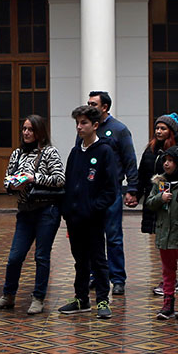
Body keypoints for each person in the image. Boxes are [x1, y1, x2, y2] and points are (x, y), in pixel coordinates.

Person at [0, 114, 65, 314]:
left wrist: (33, 178)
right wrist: (13, 185)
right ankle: (8, 296)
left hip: (47, 211)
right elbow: (5, 181)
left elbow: (59, 179)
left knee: (41, 256)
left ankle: (38, 298)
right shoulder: (17, 153)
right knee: (15, 256)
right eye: (24, 129)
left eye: (30, 129)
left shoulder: (49, 152)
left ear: (40, 132)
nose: (26, 133)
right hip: (25, 211)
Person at [59, 105, 118, 319]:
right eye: (77, 123)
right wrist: (67, 209)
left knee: (98, 259)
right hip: (74, 218)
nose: (79, 127)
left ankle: (102, 299)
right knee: (79, 260)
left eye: (84, 123)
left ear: (95, 125)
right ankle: (81, 299)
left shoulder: (104, 151)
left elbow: (110, 189)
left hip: (93, 218)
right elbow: (69, 183)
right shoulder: (75, 152)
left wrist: (93, 208)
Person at [87, 91, 137, 295]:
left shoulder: (119, 130)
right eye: (88, 103)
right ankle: (96, 275)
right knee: (92, 235)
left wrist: (132, 189)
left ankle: (117, 279)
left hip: (112, 190)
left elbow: (130, 160)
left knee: (114, 236)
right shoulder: (87, 129)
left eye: (93, 104)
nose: (89, 106)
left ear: (105, 107)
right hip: (91, 191)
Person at [146, 145, 178, 321]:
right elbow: (150, 202)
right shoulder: (161, 183)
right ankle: (168, 302)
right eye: (165, 161)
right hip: (164, 234)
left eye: (170, 161)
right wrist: (161, 198)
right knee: (167, 270)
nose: (166, 164)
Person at [135, 113, 178, 294]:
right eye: (157, 128)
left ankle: (171, 281)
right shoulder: (150, 150)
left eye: (163, 128)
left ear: (171, 131)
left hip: (169, 201)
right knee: (160, 241)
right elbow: (142, 173)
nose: (159, 131)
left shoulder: (177, 150)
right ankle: (167, 279)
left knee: (169, 241)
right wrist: (135, 194)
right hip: (153, 200)